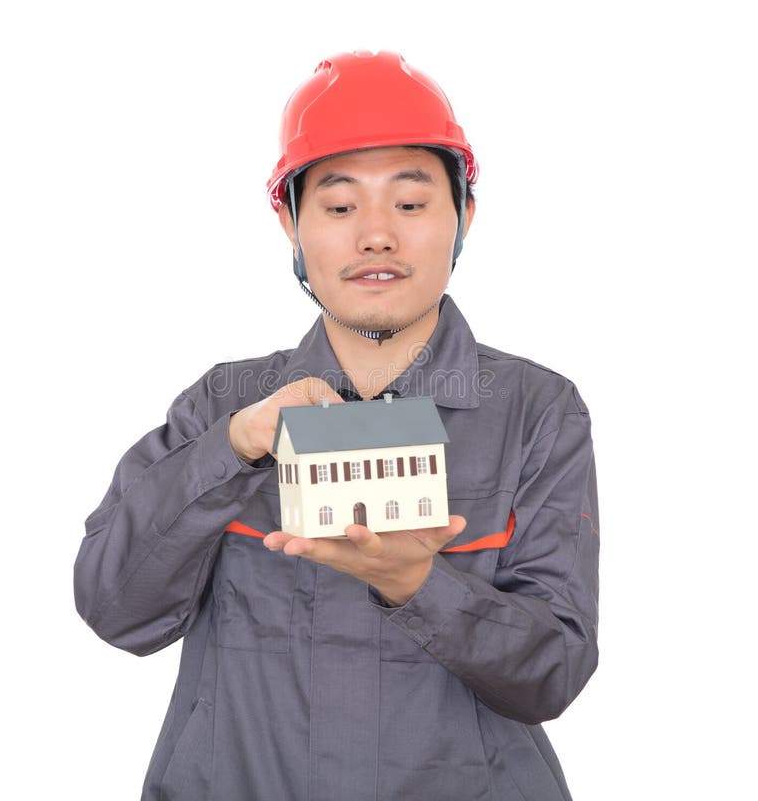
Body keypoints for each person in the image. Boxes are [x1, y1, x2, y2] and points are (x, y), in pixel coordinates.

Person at [74, 50, 599, 801]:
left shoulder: (535, 411)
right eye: (340, 206)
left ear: (464, 217)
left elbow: (554, 672)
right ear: (290, 221)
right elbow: (117, 611)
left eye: (411, 204)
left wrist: (417, 582)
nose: (377, 235)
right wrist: (235, 451)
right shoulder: (223, 403)